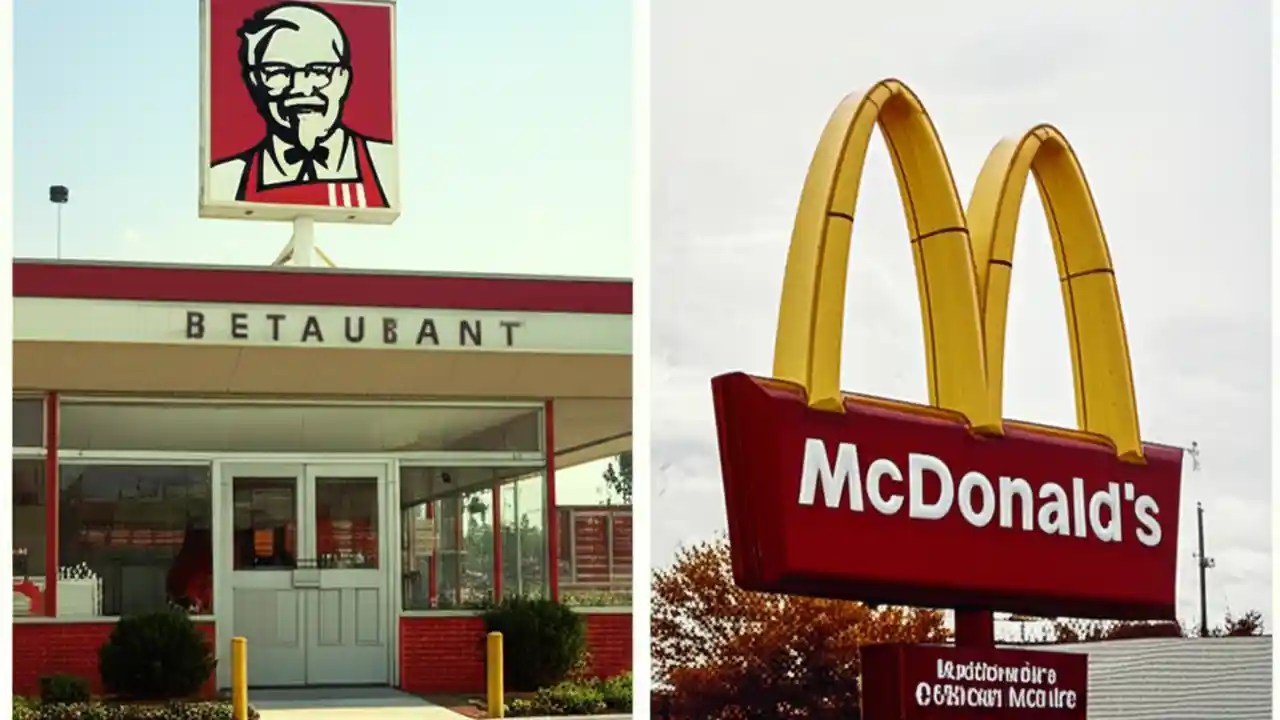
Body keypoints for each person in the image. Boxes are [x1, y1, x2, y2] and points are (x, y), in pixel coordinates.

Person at [209, 2, 393, 208]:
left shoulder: (385, 165)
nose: (301, 88)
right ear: (255, 81)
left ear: (343, 78)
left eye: (319, 70)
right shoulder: (225, 181)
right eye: (278, 71)